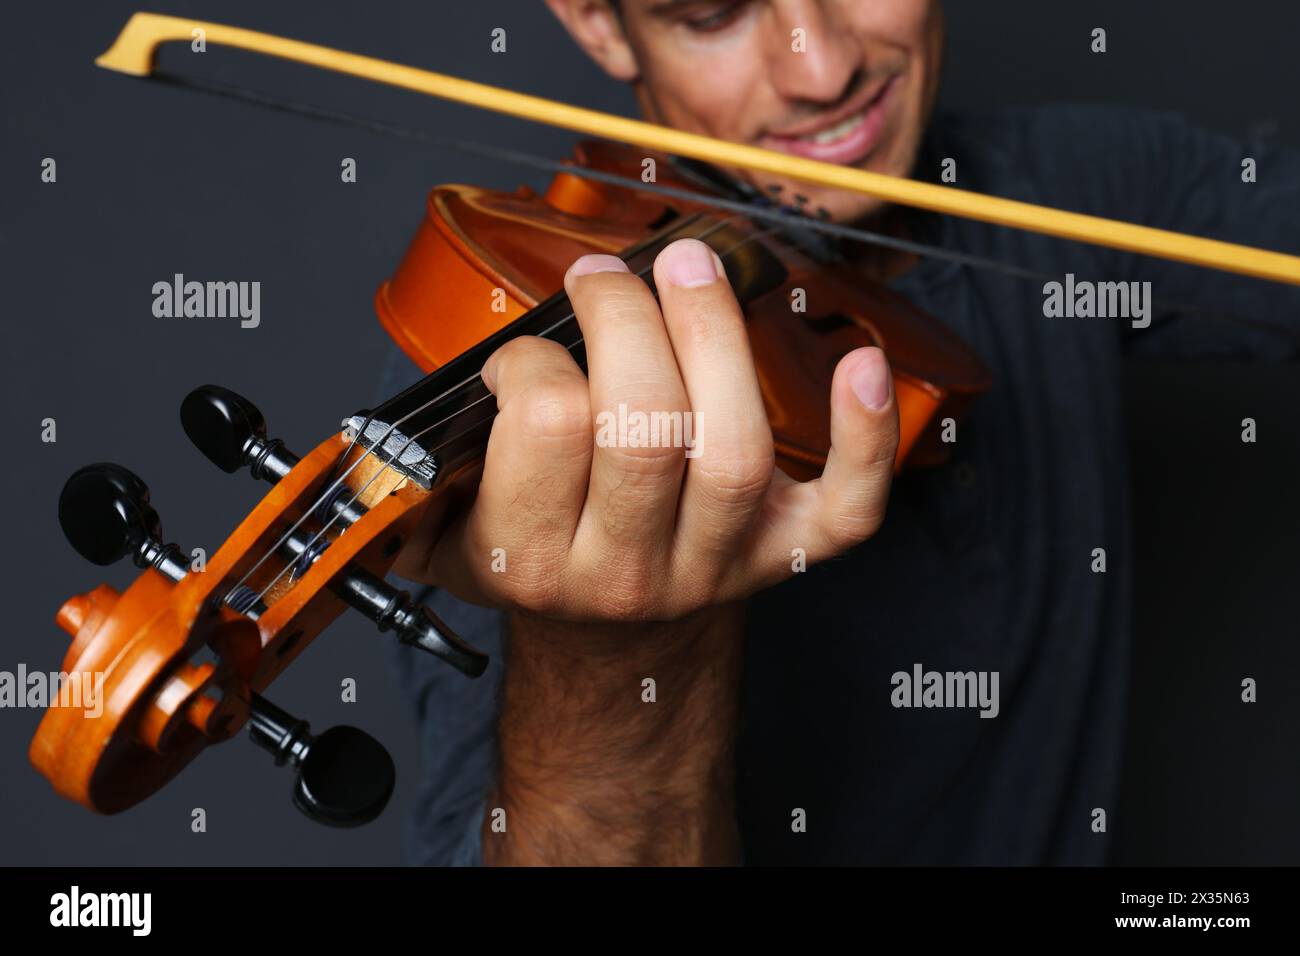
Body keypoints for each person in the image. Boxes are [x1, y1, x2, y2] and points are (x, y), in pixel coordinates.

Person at [378, 0, 1300, 865]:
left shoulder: (1075, 183)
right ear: (597, 23)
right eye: (713, 15)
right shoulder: (523, 373)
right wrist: (616, 658)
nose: (821, 71)